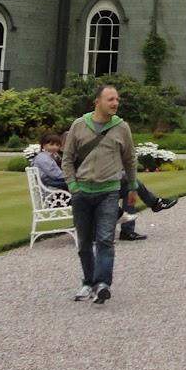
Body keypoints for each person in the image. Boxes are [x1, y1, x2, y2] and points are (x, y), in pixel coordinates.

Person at [61, 84, 137, 305]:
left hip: (108, 191)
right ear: (97, 102)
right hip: (82, 192)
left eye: (117, 99)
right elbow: (67, 159)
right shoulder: (78, 125)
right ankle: (88, 282)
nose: (115, 103)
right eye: (110, 99)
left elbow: (130, 159)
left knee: (105, 239)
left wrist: (133, 186)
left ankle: (102, 284)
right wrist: (73, 185)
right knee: (84, 241)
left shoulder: (121, 127)